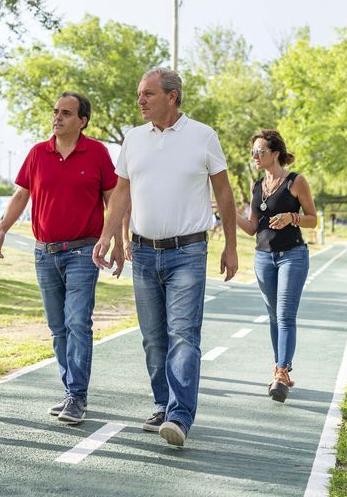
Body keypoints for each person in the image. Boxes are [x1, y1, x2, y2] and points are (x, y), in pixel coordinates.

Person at [93, 68, 238, 447]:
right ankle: (163, 403)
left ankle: (179, 415)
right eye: (140, 94)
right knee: (154, 339)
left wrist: (231, 245)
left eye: (148, 94)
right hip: (142, 252)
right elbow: (121, 193)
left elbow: (224, 194)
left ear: (172, 96)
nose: (140, 100)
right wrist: (108, 236)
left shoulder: (203, 136)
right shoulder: (133, 139)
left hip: (188, 251)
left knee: (183, 336)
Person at [0, 91, 123, 425]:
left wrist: (119, 242)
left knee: (77, 321)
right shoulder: (38, 153)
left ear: (82, 121)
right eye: (56, 112)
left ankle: (77, 396)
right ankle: (70, 392)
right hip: (45, 253)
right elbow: (22, 194)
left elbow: (114, 200)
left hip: (83, 250)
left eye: (66, 113)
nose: (58, 117)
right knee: (57, 327)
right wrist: (2, 228)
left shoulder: (97, 153)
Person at [235, 129, 317, 403]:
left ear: (275, 154)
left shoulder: (296, 181)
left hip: (292, 255)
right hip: (263, 258)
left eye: (260, 151)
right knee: (273, 316)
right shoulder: (256, 185)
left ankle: (282, 372)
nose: (255, 156)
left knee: (284, 315)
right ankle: (279, 368)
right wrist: (229, 211)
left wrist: (291, 217)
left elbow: (313, 219)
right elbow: (251, 228)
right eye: (253, 152)